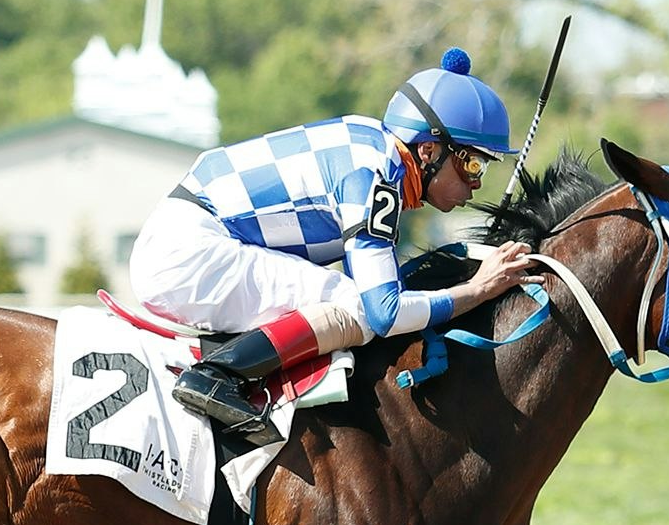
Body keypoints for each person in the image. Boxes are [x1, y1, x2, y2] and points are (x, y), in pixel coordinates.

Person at [133, 47, 546, 445]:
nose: (475, 184)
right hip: (189, 252)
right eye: (472, 163)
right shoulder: (374, 176)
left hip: (191, 242)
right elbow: (382, 312)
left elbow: (389, 282)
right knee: (356, 308)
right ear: (428, 150)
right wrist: (475, 292)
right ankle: (216, 376)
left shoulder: (373, 150)